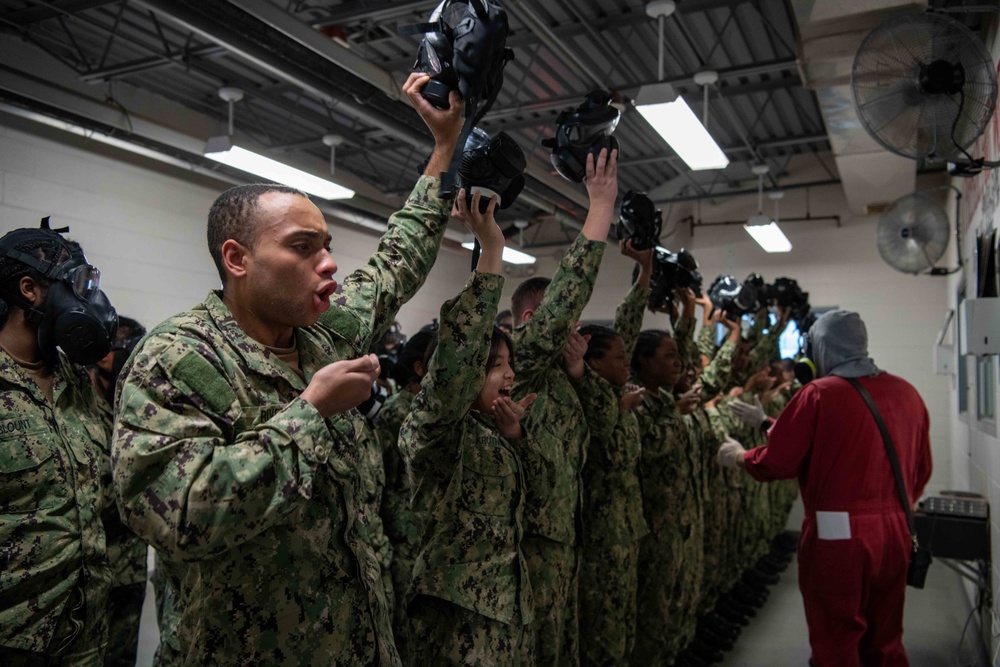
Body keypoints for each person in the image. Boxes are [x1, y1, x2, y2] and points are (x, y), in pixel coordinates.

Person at [111, 72, 463, 666]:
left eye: (327, 246)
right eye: (303, 248)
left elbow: (397, 259)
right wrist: (310, 413)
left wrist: (444, 148)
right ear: (238, 258)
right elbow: (181, 514)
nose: (328, 264)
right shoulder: (177, 358)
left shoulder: (322, 335)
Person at [718, 310, 933, 667]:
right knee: (886, 637)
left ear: (819, 347)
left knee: (837, 637)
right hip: (896, 530)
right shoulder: (907, 393)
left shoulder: (818, 394)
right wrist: (768, 422)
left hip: (838, 535)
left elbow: (780, 461)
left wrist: (742, 457)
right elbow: (921, 470)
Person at [401, 190, 536, 665]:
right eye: (495, 365)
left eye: (509, 364)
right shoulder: (435, 427)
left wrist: (517, 438)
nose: (509, 374)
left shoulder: (488, 430)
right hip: (458, 626)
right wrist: (492, 254)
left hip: (504, 614)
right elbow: (456, 363)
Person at [508, 147, 618, 667]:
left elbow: (604, 427)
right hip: (528, 548)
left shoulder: (559, 375)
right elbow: (563, 306)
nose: (573, 331)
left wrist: (578, 374)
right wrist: (599, 209)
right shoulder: (521, 365)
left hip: (563, 539)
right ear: (532, 318)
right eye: (561, 322)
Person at [0, 222, 118, 664]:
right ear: (29, 289)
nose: (90, 299)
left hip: (87, 633)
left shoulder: (75, 379)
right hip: (15, 638)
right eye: (77, 284)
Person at [574, 239, 651, 667]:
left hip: (624, 530)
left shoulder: (613, 391)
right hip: (601, 537)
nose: (628, 363)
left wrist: (645, 274)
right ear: (595, 363)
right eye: (620, 357)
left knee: (622, 624)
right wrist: (621, 412)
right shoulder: (593, 394)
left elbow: (629, 324)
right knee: (603, 634)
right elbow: (616, 453)